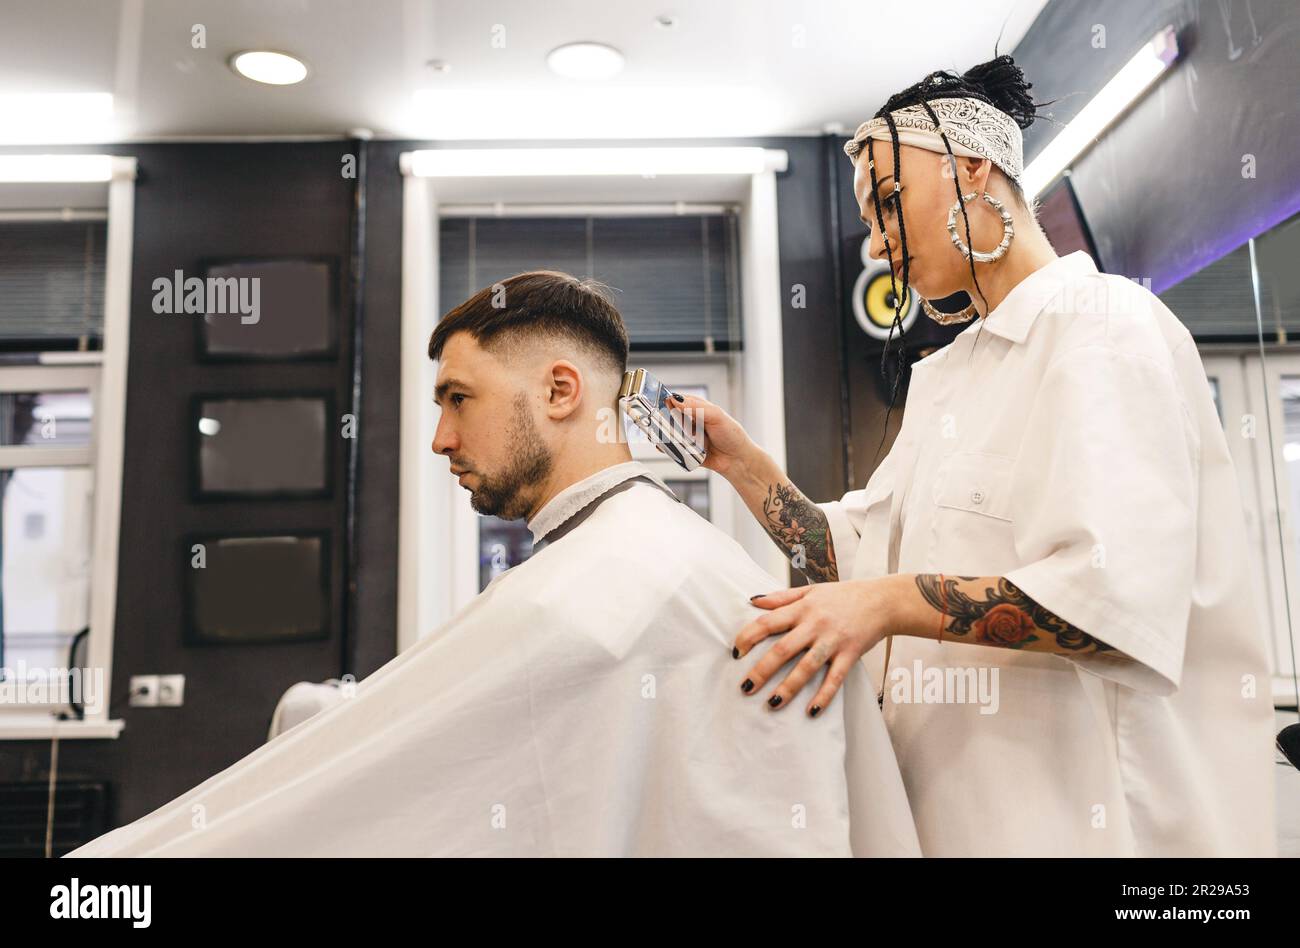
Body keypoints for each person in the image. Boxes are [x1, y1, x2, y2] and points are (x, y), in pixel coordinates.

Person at [68, 270, 920, 858]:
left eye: (458, 399)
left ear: (559, 391)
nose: (440, 438)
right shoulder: (677, 554)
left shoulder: (595, 588)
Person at [676, 56, 1277, 857]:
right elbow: (851, 560)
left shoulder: (1101, 324)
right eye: (870, 220)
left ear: (971, 167)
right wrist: (742, 464)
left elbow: (1111, 602)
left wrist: (886, 603)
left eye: (890, 203)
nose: (879, 242)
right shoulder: (952, 376)